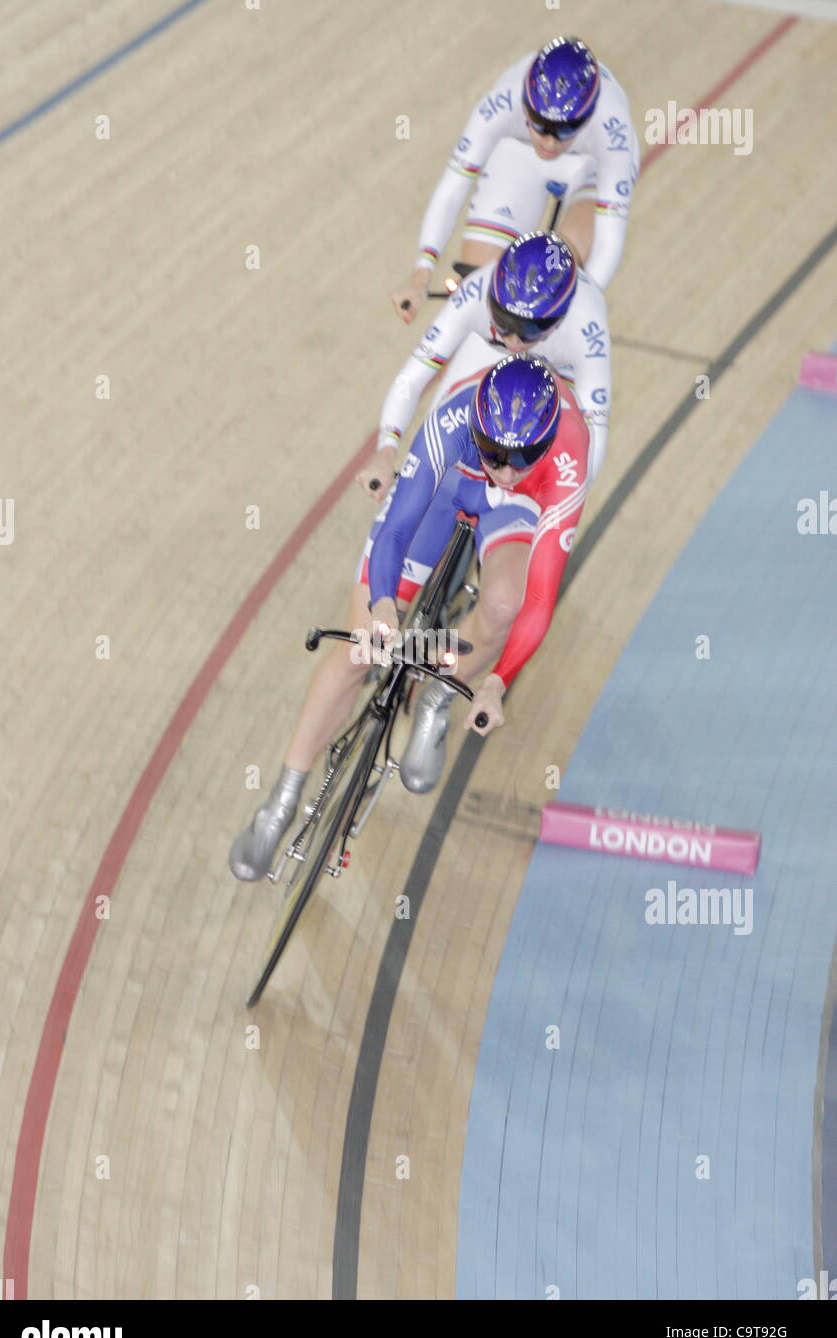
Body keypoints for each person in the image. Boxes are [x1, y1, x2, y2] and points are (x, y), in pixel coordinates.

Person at [230, 354, 590, 881]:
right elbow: (397, 529)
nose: (507, 470)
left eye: (523, 457)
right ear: (477, 428)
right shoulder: (452, 420)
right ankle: (280, 803)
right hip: (448, 489)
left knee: (505, 604)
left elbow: (540, 599)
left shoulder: (567, 457)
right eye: (494, 452)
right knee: (358, 648)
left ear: (549, 441)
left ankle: (439, 695)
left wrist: (496, 684)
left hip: (517, 510)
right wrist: (381, 610)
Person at [391, 36, 638, 323]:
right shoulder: (501, 104)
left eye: (564, 129)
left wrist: (574, 312)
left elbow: (609, 240)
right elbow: (452, 188)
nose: (549, 141)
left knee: (559, 276)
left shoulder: (613, 133)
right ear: (525, 104)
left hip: (588, 166)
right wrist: (422, 274)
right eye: (540, 123)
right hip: (519, 154)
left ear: (586, 117)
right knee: (479, 306)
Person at [359, 230, 610, 502]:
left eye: (530, 329)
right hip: (489, 351)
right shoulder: (475, 292)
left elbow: (593, 430)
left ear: (559, 319)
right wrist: (387, 450)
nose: (513, 340)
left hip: (558, 369)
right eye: (504, 320)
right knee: (433, 446)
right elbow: (413, 377)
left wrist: (561, 503)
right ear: (492, 297)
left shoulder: (587, 330)